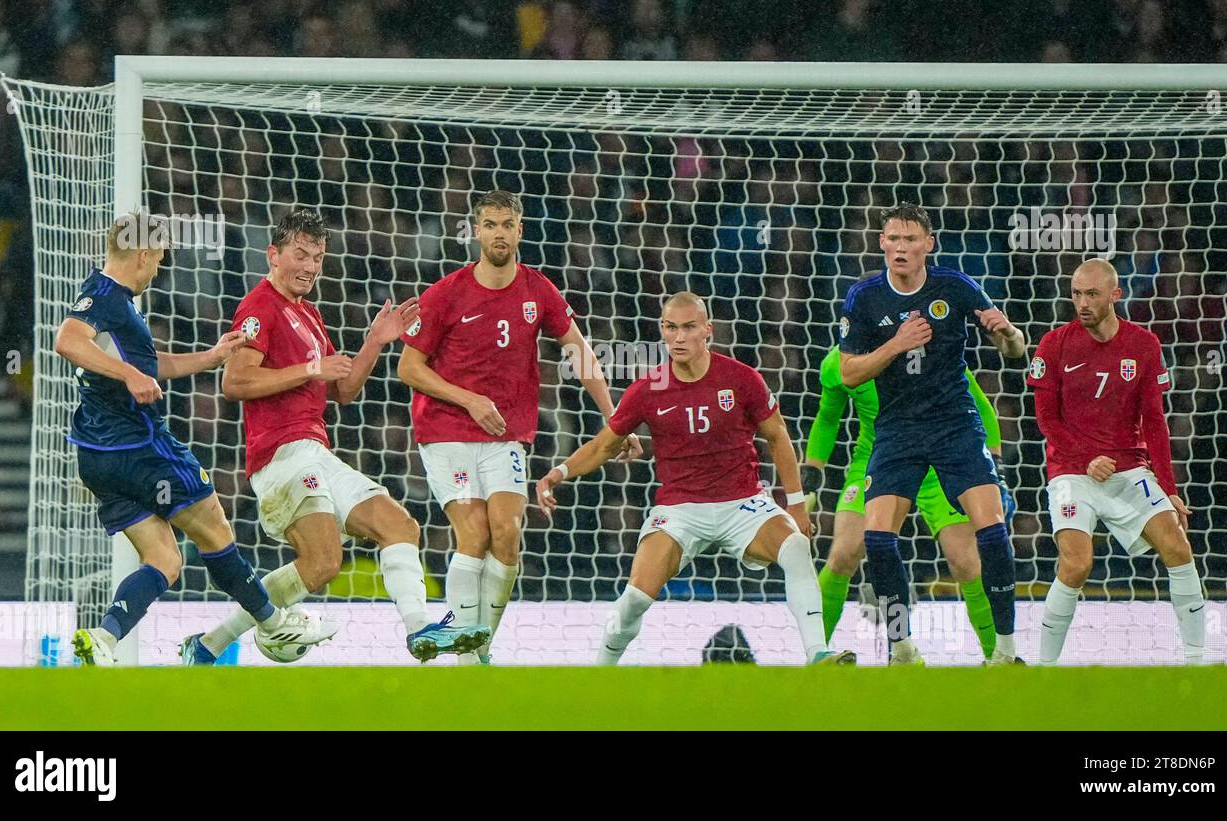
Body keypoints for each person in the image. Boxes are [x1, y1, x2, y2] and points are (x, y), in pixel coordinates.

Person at [183, 209, 488, 665]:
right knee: (323, 563)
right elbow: (235, 383)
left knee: (400, 526)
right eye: (300, 254)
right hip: (281, 455)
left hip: (316, 452)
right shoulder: (259, 306)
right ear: (274, 254)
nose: (310, 266)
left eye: (318, 257)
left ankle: (421, 630)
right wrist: (311, 368)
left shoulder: (309, 315)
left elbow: (343, 390)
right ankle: (210, 643)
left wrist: (374, 342)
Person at [56, 213, 336, 665]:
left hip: (97, 458)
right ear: (143, 253)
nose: (158, 268)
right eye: (159, 258)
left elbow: (151, 365)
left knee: (164, 559)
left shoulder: (119, 302)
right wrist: (128, 374)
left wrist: (211, 356)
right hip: (140, 448)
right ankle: (271, 623)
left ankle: (104, 639)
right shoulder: (105, 296)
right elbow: (67, 341)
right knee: (215, 529)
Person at [398, 189, 640, 664]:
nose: (499, 233)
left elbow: (579, 351)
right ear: (475, 232)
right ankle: (468, 660)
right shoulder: (446, 292)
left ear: (519, 230)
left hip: (506, 434)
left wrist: (614, 415)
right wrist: (469, 400)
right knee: (474, 536)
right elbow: (409, 368)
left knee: (507, 534)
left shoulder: (538, 290)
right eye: (489, 225)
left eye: (506, 224)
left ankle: (479, 643)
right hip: (446, 430)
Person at [536, 292, 830, 666]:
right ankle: (600, 672)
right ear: (662, 330)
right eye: (671, 328)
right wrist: (559, 472)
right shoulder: (649, 388)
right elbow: (604, 445)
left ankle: (817, 654)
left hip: (742, 502)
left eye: (689, 327)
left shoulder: (741, 379)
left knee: (795, 547)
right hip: (679, 509)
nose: (678, 337)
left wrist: (797, 504)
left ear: (707, 330)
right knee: (636, 597)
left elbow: (778, 436)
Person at [836, 203, 1027, 665]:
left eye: (910, 240)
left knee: (992, 529)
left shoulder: (954, 287)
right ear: (882, 242)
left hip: (954, 424)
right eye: (893, 239)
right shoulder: (863, 298)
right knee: (878, 537)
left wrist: (1008, 335)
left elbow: (1015, 349)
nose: (900, 248)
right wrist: (897, 343)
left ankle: (1005, 650)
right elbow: (848, 374)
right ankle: (901, 647)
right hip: (898, 429)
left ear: (928, 245)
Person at [1028, 259, 1204, 665]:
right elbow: (1047, 419)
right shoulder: (1053, 344)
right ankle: (1043, 670)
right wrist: (1087, 458)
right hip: (1072, 470)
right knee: (1076, 564)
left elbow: (1156, 423)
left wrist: (1171, 490)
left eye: (1092, 294)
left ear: (1115, 295)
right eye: (1076, 293)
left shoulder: (1143, 345)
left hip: (1128, 469)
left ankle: (1201, 663)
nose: (1082, 303)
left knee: (1177, 545)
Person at [805, 342, 1014, 664]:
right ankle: (818, 654)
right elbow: (828, 417)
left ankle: (999, 659)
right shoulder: (839, 362)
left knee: (966, 562)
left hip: (939, 460)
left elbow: (980, 405)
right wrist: (811, 474)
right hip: (875, 460)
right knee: (844, 553)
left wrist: (995, 467)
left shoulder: (928, 347)